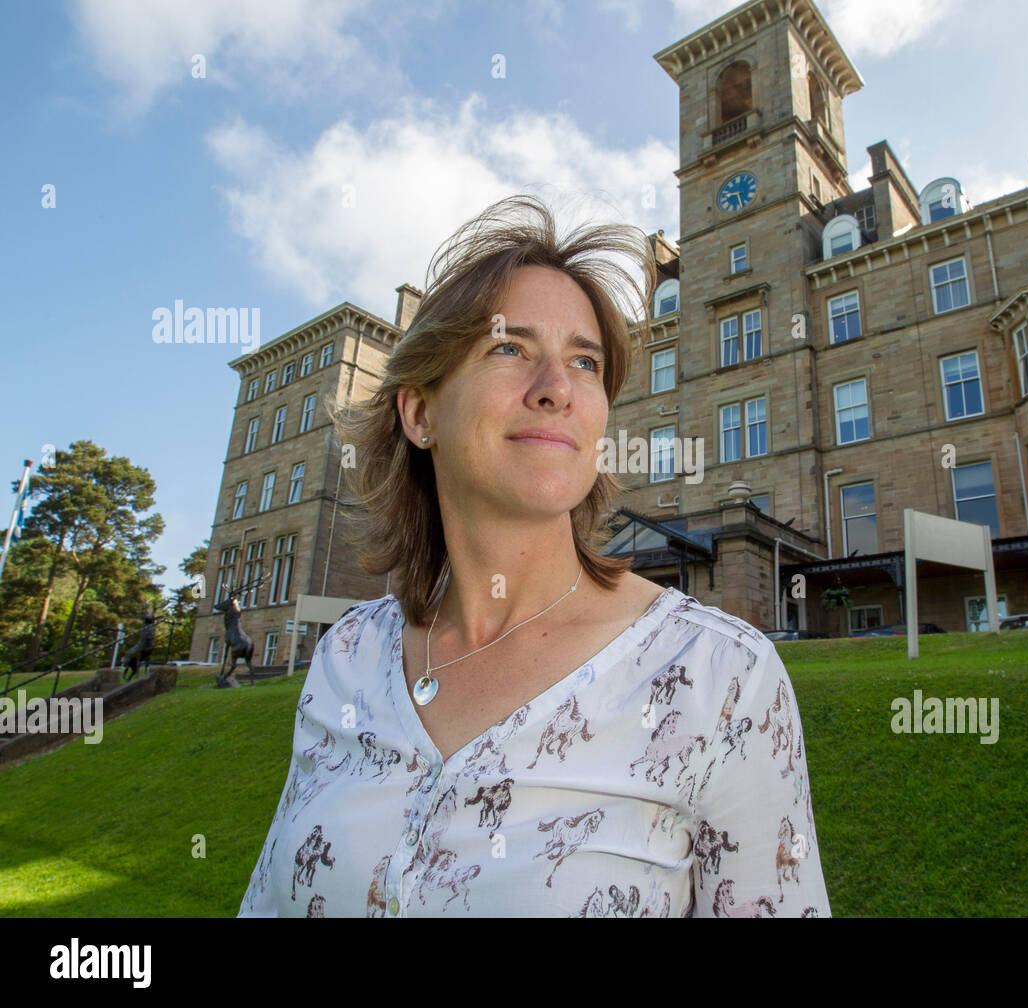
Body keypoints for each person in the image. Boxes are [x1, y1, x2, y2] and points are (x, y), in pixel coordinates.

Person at [237, 194, 830, 917]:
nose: (556, 389)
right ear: (420, 413)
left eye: (585, 362)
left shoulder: (722, 679)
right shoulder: (348, 659)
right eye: (510, 348)